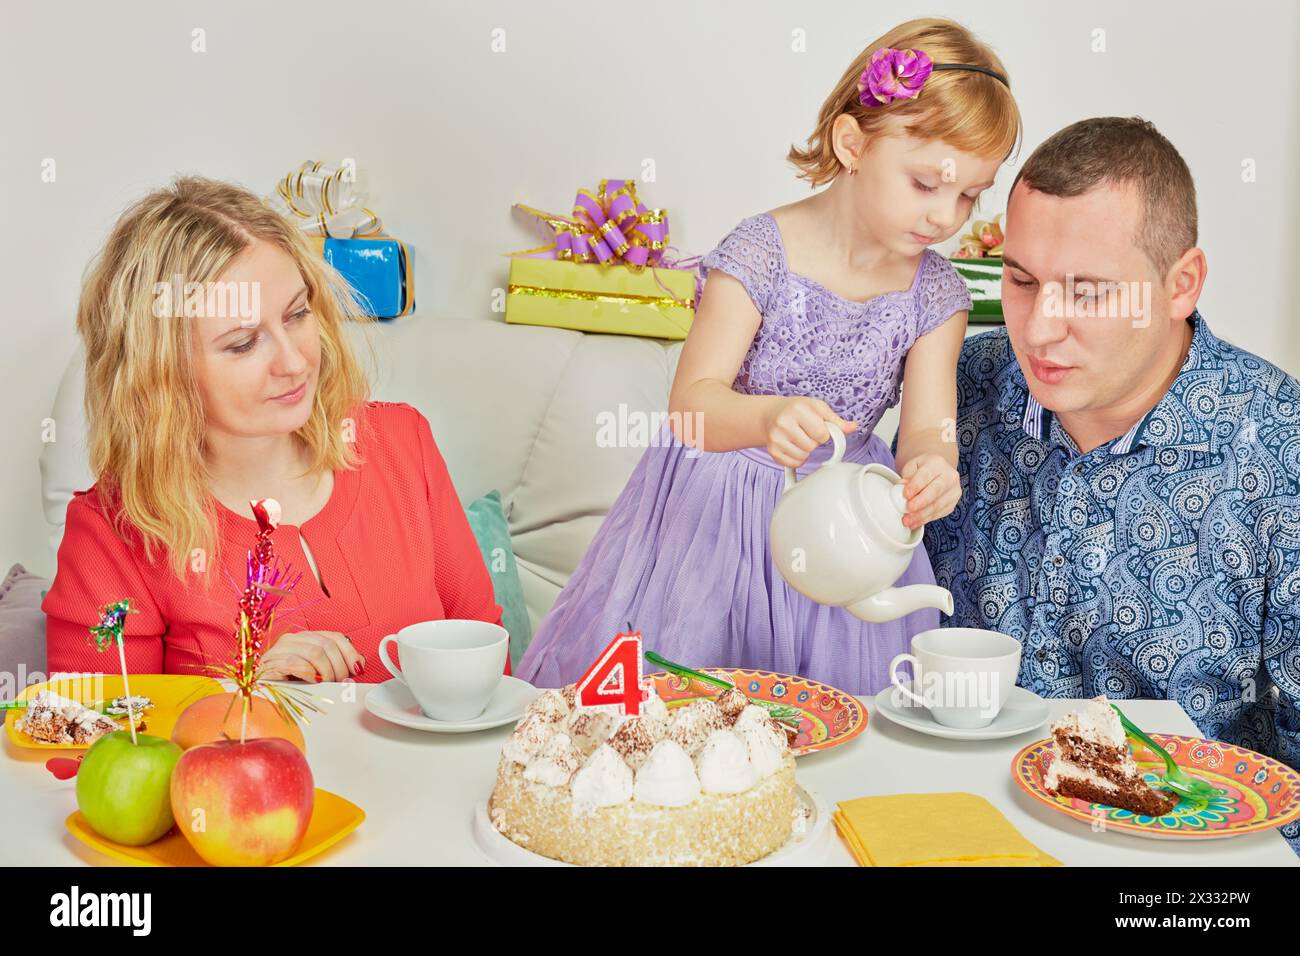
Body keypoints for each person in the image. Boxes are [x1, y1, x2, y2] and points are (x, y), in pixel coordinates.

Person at [519, 17, 1021, 694]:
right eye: (926, 183)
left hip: (846, 519)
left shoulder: (937, 294)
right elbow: (692, 405)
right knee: (697, 712)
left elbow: (929, 428)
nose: (946, 217)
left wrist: (934, 467)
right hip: (720, 511)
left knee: (834, 719)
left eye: (969, 194)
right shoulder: (760, 253)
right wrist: (765, 418)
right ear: (853, 143)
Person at [922, 116, 1300, 849]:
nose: (1037, 330)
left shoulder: (1281, 450)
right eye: (1021, 281)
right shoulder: (959, 387)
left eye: (1087, 293)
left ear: (1180, 285)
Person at [43, 176, 505, 683]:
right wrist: (245, 697)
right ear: (160, 373)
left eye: (298, 314)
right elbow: (93, 749)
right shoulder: (111, 535)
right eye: (243, 343)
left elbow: (487, 657)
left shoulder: (401, 442)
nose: (293, 361)